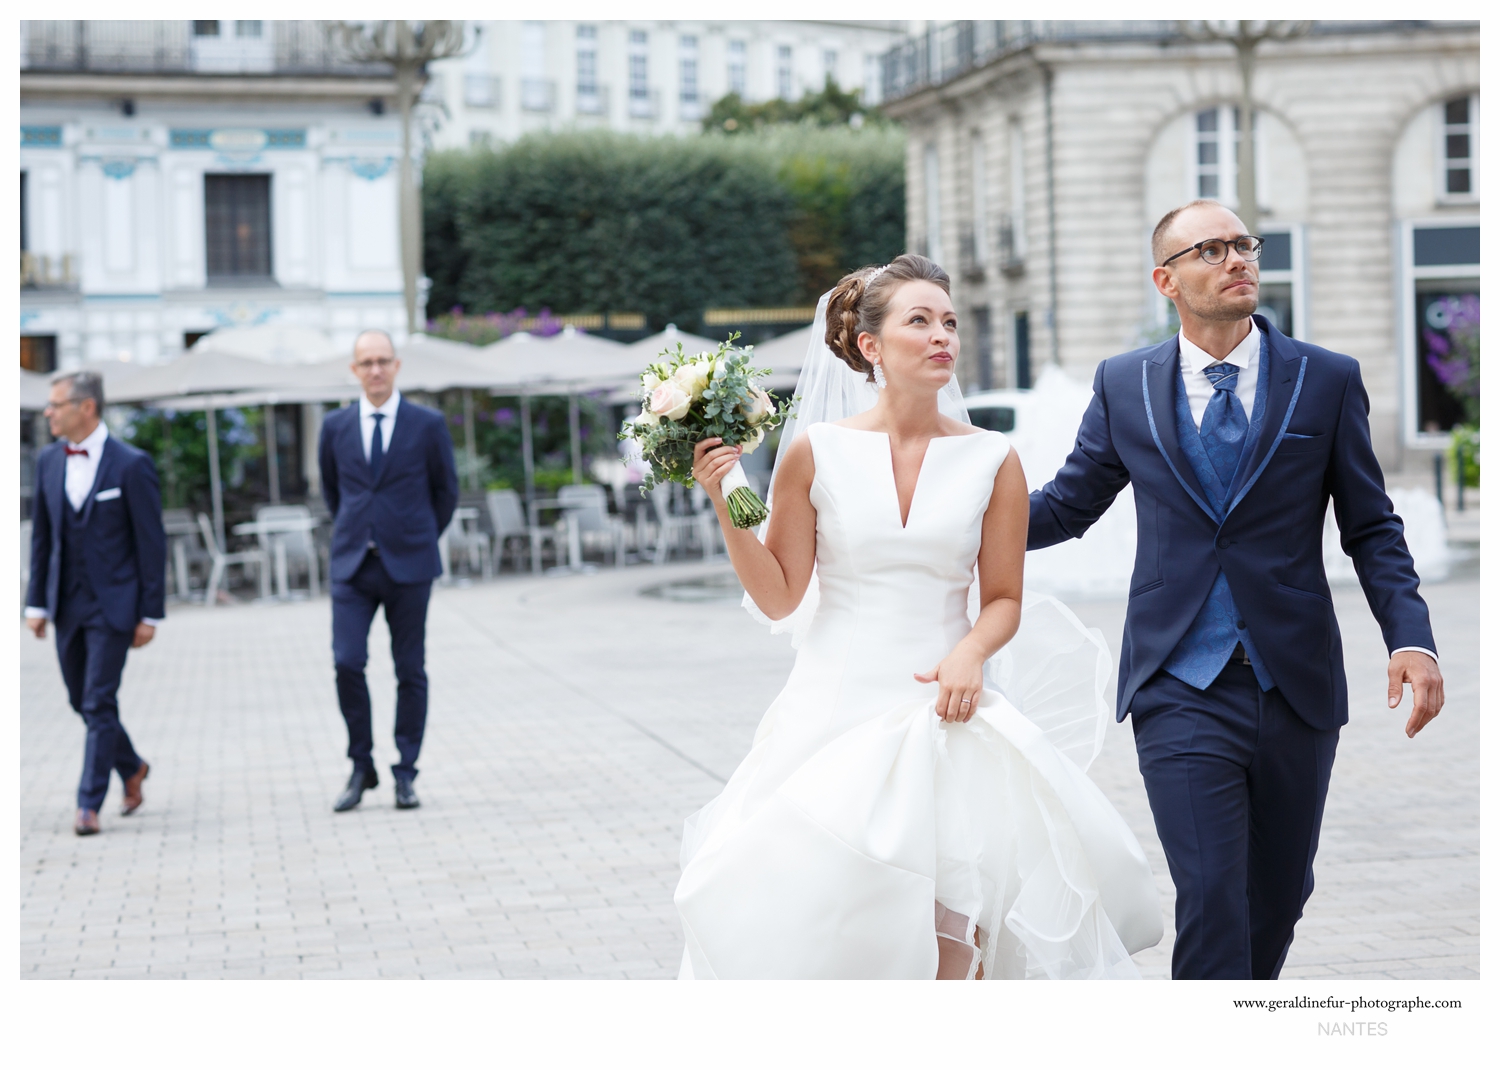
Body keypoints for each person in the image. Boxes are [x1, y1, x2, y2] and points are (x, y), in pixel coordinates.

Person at [675, 255, 1162, 979]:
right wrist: (724, 500)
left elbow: (1003, 599)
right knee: (829, 928)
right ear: (870, 347)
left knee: (954, 931)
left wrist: (970, 652)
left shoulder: (994, 458)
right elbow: (780, 595)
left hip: (945, 712)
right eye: (920, 321)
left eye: (950, 323)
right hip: (832, 711)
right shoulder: (816, 452)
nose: (943, 337)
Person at [1027, 200, 1444, 980]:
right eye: (1211, 249)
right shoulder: (1126, 384)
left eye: (1243, 244)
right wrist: (945, 515)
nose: (1237, 260)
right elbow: (1067, 506)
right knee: (1213, 893)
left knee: (1278, 897)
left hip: (1294, 683)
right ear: (1167, 280)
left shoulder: (1324, 379)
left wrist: (1411, 638)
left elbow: (1373, 528)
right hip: (1178, 684)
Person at [318, 329, 458, 813]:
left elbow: (447, 494)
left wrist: (413, 535)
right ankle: (362, 766)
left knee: (409, 669)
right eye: (366, 362)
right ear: (354, 370)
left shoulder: (427, 424)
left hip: (410, 565)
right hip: (353, 565)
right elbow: (334, 494)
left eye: (383, 361)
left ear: (396, 366)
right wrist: (364, 530)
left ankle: (406, 771)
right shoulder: (333, 427)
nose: (375, 369)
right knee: (346, 661)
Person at [26, 371, 165, 836]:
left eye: (56, 404)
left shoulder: (131, 464)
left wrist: (150, 613)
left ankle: (88, 803)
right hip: (66, 604)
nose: (48, 412)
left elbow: (151, 544)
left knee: (99, 698)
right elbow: (42, 539)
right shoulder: (48, 461)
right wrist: (36, 605)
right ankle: (132, 766)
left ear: (86, 407)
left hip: (114, 606)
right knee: (78, 699)